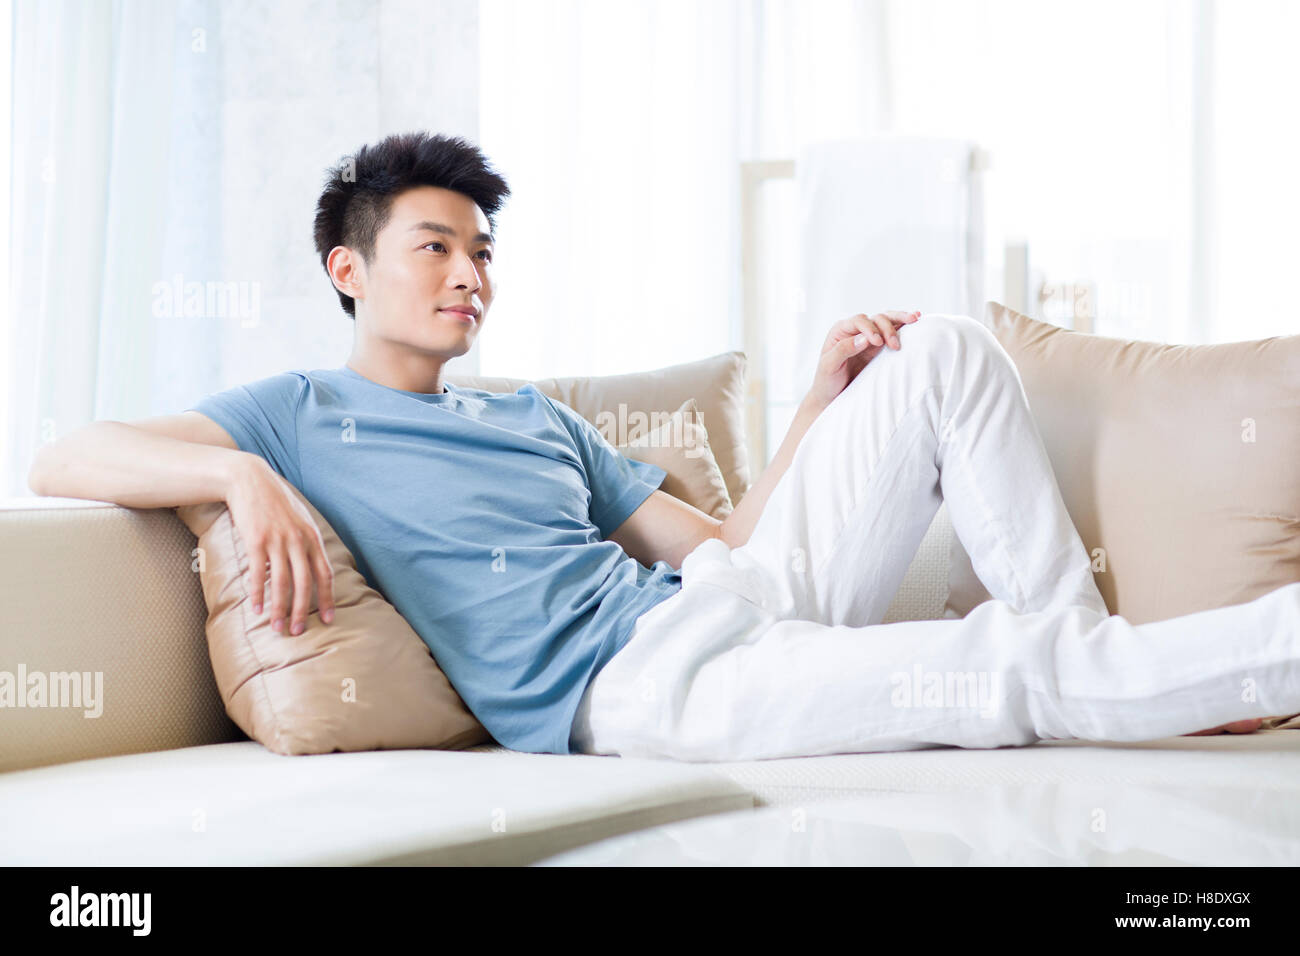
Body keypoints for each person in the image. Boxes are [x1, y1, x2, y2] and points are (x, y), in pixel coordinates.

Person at [29, 131, 1295, 759]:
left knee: (943, 348)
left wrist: (815, 396)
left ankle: (1098, 661)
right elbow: (66, 454)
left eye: (483, 251)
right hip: (635, 689)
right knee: (990, 671)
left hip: (722, 600)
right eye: (436, 247)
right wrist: (238, 473)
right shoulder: (294, 411)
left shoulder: (533, 416)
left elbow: (731, 542)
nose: (470, 274)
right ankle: (1155, 669)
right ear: (346, 269)